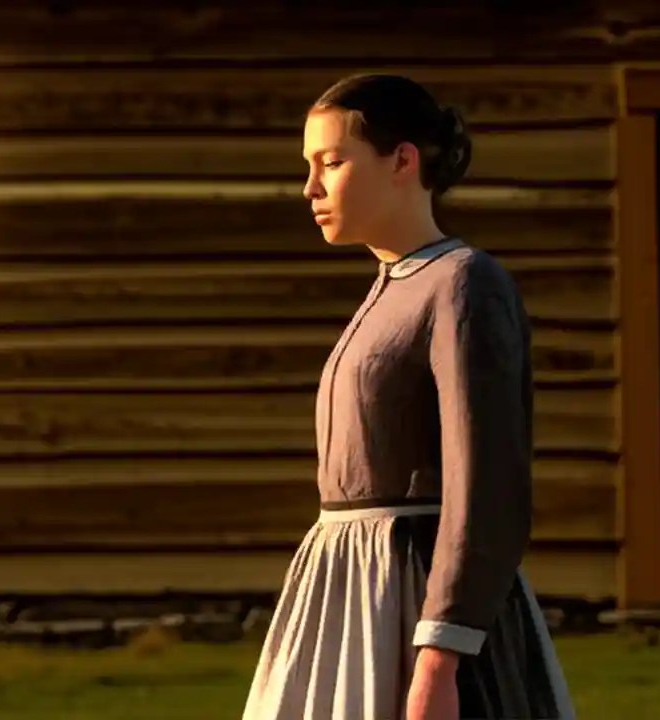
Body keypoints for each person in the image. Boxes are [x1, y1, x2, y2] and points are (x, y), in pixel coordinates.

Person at [239, 74, 576, 720]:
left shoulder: (464, 283)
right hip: (349, 596)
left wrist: (441, 654)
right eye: (308, 168)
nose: (311, 188)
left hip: (417, 598)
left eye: (331, 163)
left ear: (402, 161)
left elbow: (488, 486)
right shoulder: (388, 288)